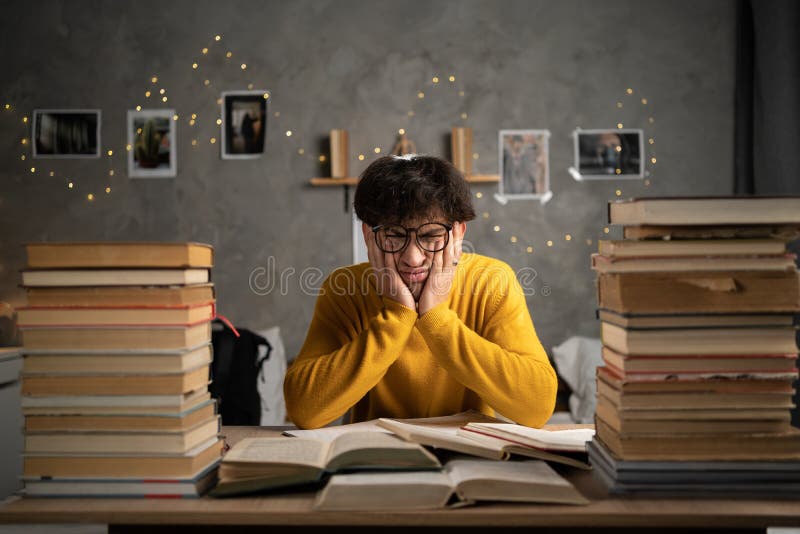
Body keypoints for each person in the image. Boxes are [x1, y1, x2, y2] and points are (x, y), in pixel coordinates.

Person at [284, 155, 557, 429]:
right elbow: (304, 410)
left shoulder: (492, 282)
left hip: (467, 456)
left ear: (459, 234)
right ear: (369, 236)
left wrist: (436, 319)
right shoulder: (344, 288)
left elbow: (538, 407)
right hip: (374, 460)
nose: (412, 258)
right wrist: (397, 314)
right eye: (394, 235)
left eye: (430, 236)